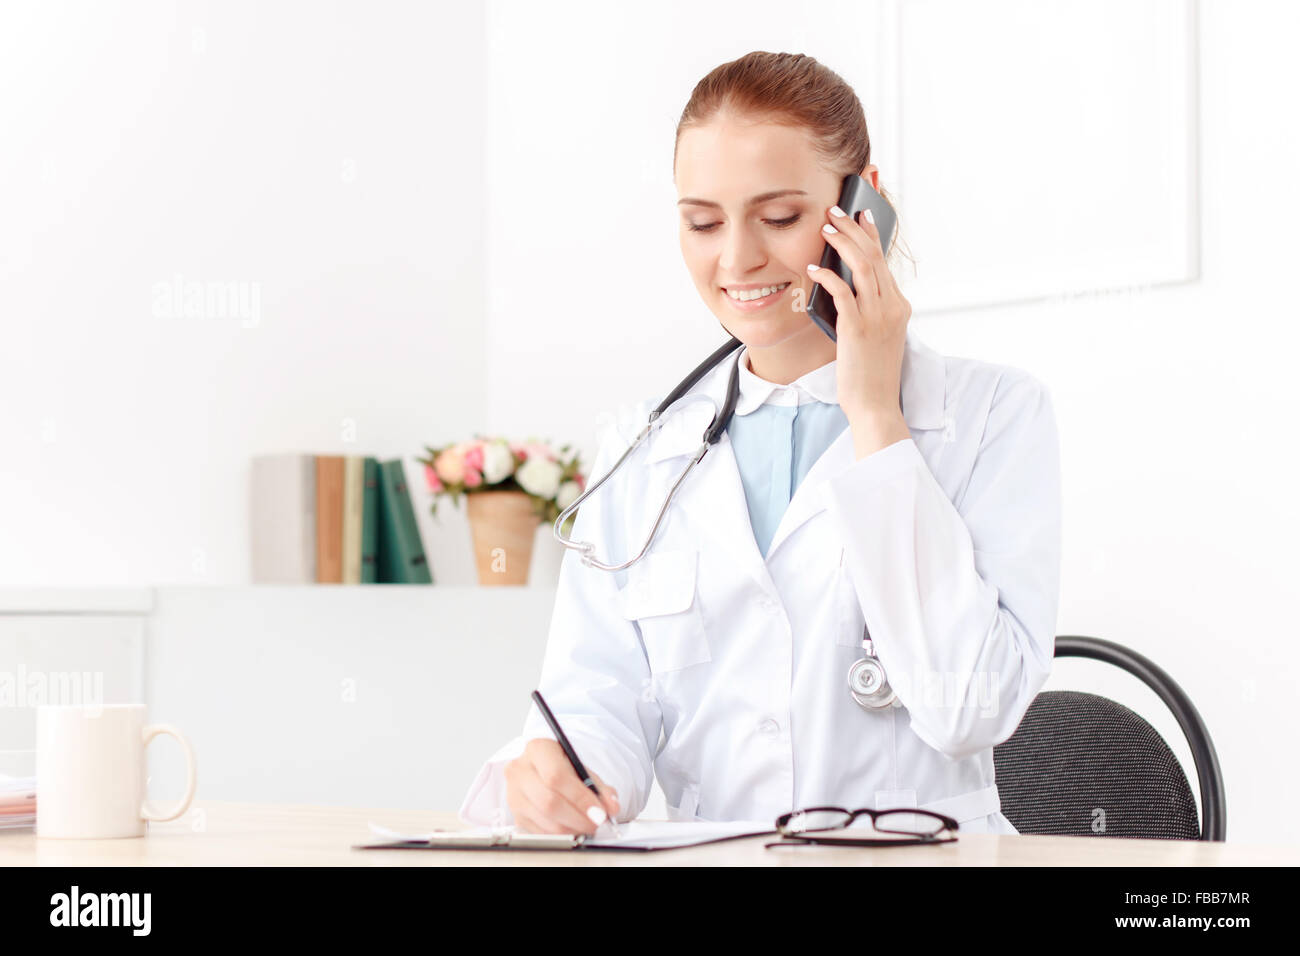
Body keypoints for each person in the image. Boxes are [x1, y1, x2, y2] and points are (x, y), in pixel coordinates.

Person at [458, 51, 1061, 835]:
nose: (736, 257)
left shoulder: (992, 415)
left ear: (862, 205)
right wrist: (566, 773)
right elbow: (599, 698)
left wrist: (877, 416)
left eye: (778, 217)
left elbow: (966, 707)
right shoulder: (642, 446)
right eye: (702, 221)